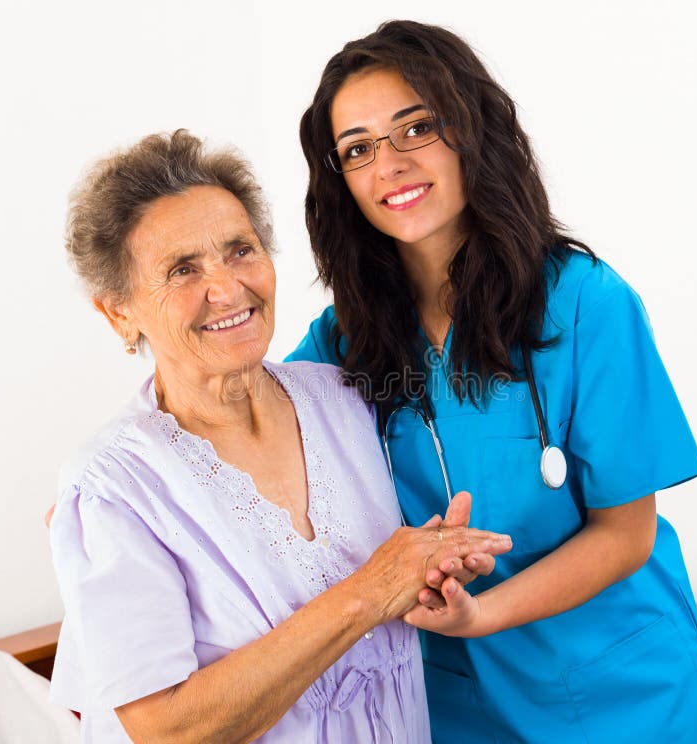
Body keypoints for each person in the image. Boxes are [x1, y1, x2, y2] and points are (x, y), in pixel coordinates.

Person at [289, 19, 697, 743]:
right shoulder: (344, 337)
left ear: (473, 129)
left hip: (627, 701)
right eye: (358, 149)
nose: (389, 164)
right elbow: (242, 420)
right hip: (460, 708)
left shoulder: (584, 301)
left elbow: (625, 534)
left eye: (417, 127)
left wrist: (479, 614)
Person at [48, 129, 512, 744]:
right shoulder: (111, 489)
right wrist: (373, 589)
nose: (226, 287)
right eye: (182, 269)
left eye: (240, 250)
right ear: (119, 312)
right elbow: (169, 731)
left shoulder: (344, 396)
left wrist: (430, 566)